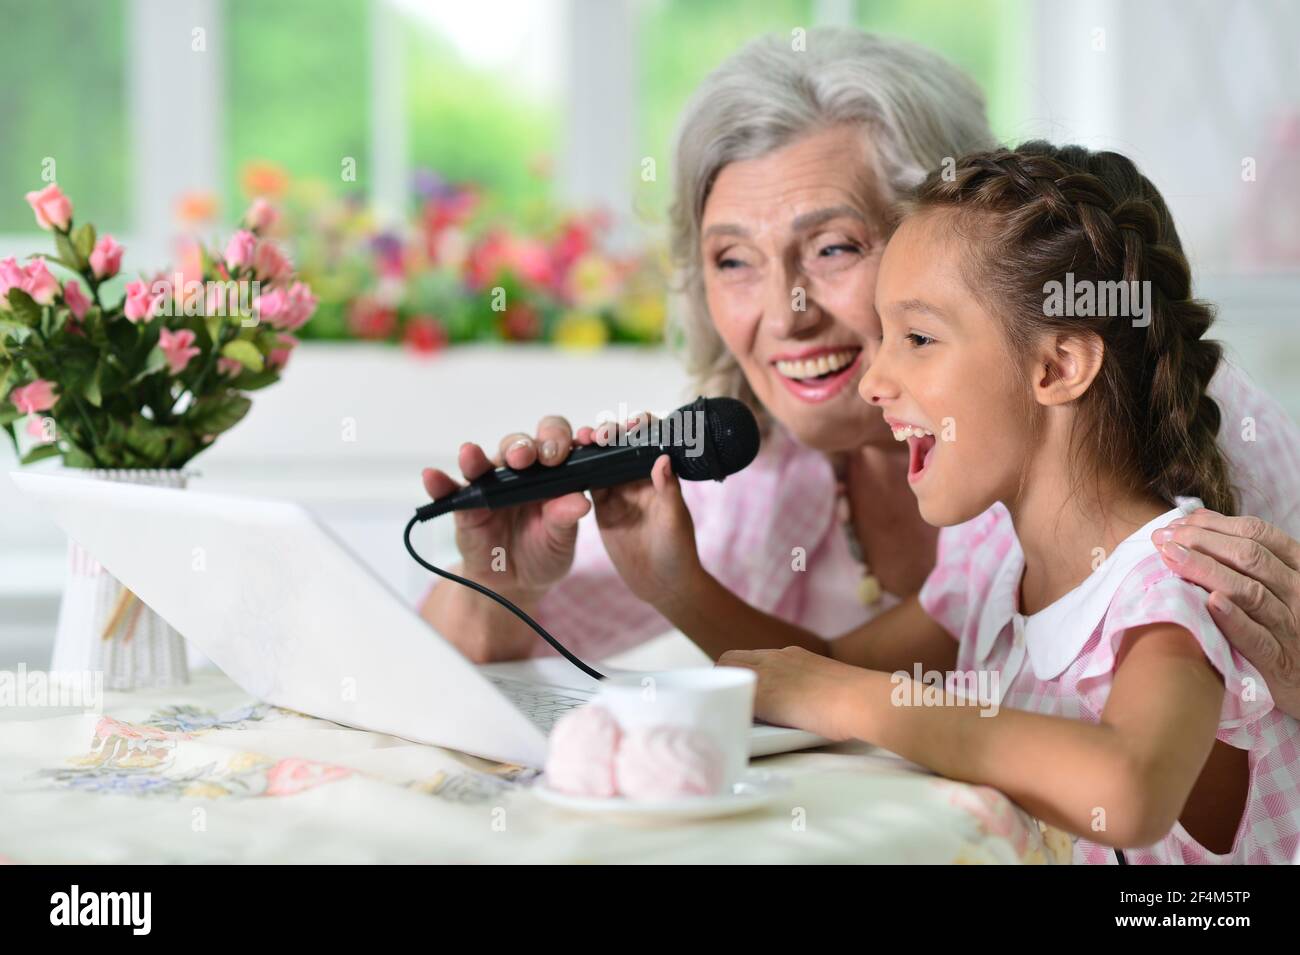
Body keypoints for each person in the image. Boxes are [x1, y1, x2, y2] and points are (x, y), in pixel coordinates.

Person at [418, 28, 1300, 720]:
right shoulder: (749, 459)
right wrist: (501, 572)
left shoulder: (1146, 415)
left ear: (957, 234)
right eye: (733, 261)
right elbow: (458, 657)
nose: (784, 311)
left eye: (834, 247)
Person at [725, 143, 1298, 863]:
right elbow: (810, 667)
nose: (873, 381)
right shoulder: (998, 576)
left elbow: (1128, 788)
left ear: (1058, 367)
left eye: (918, 338)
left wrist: (848, 698)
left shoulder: (1175, 588)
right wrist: (668, 570)